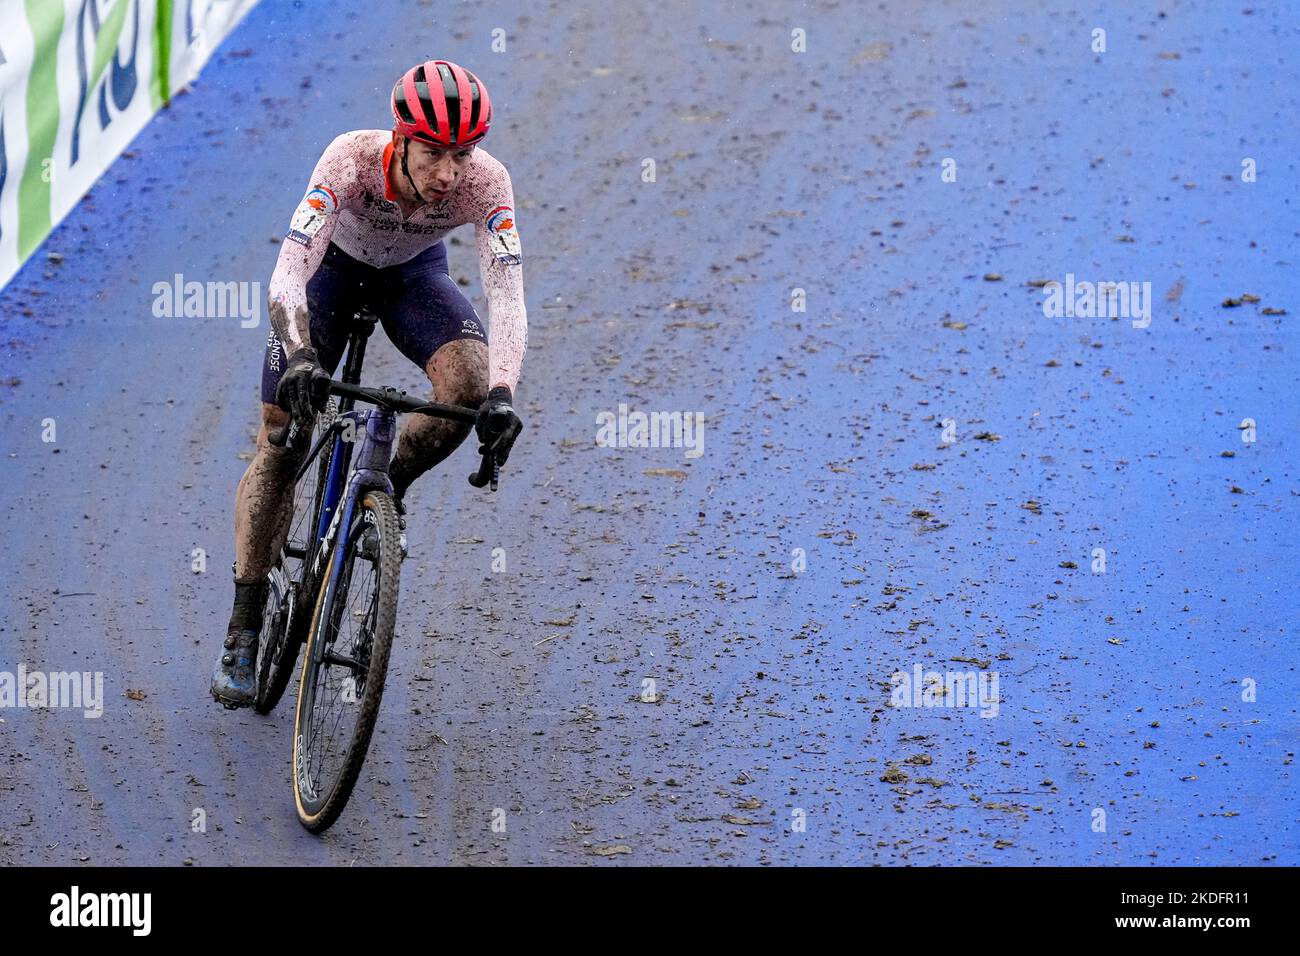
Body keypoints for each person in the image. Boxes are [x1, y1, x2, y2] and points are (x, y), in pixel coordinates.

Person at [211, 59, 525, 707]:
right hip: (332, 274)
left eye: (462, 154)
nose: (449, 175)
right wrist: (298, 355)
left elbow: (507, 293)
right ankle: (242, 629)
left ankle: (386, 491)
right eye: (434, 153)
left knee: (465, 388)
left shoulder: (486, 182)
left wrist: (502, 394)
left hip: (413, 278)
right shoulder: (349, 160)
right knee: (281, 438)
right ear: (400, 137)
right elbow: (289, 271)